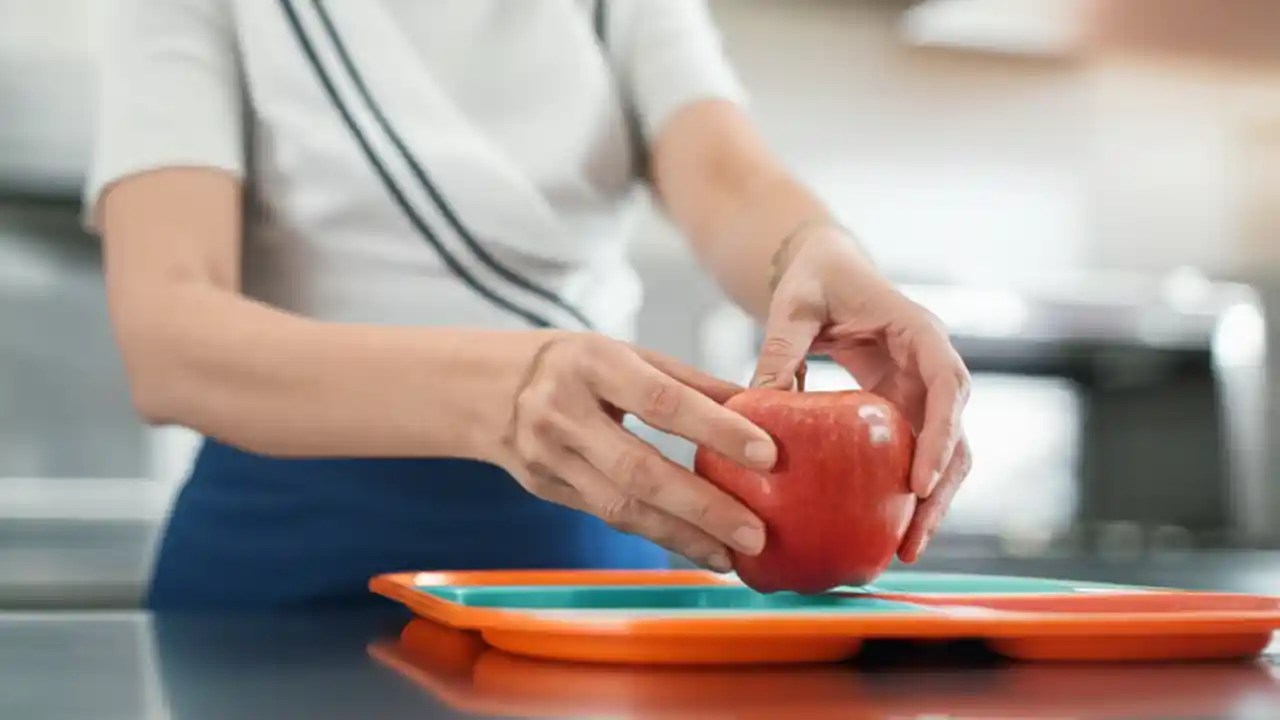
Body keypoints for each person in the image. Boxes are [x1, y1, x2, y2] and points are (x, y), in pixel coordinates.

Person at [88, 0, 972, 610]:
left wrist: (816, 252)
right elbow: (170, 335)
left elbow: (723, 175)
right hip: (275, 585)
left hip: (585, 569)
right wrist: (508, 389)